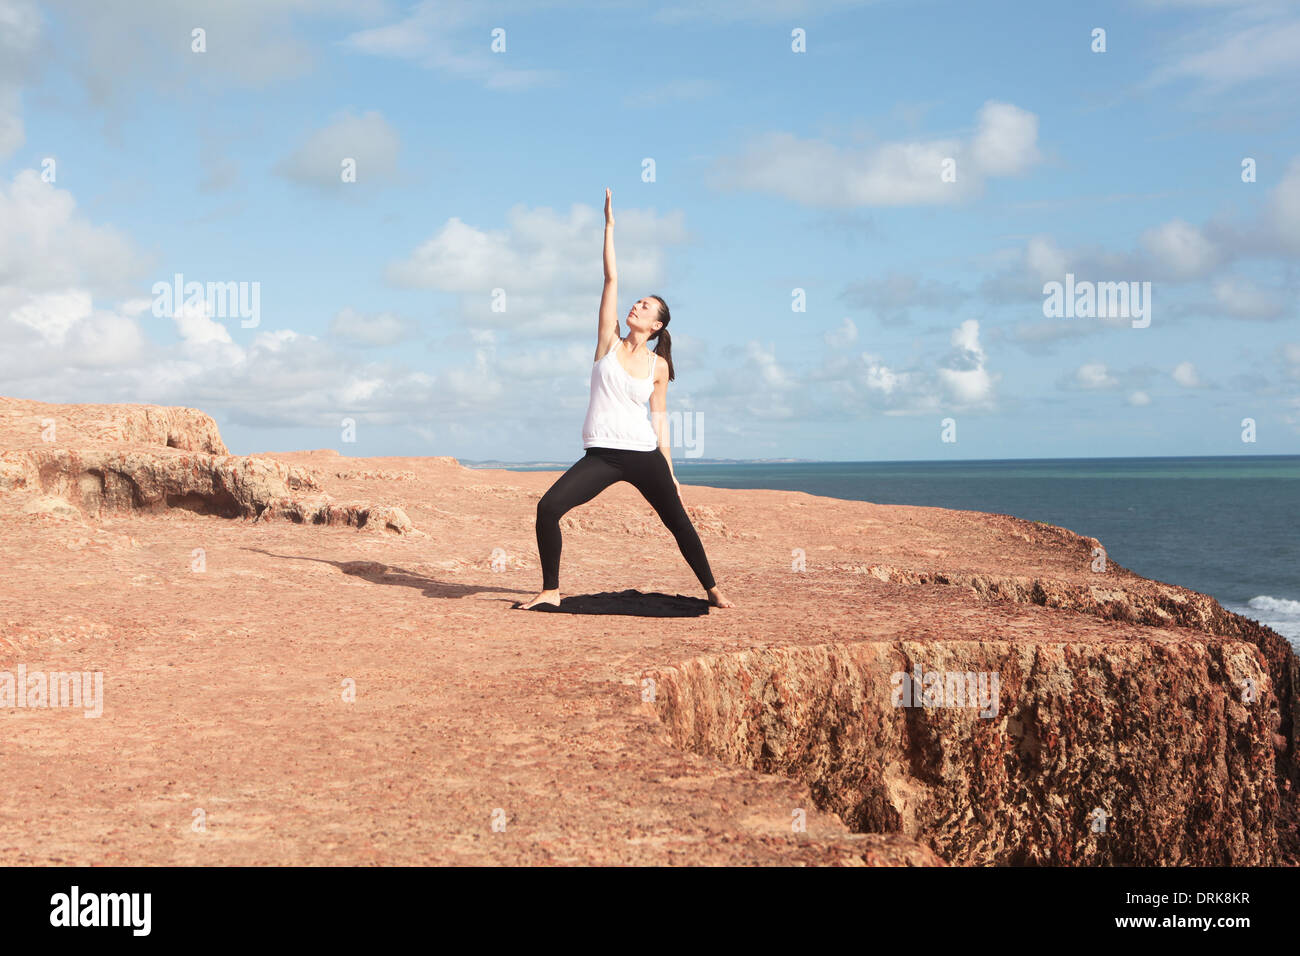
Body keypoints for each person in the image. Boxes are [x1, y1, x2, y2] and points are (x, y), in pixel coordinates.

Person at [517, 189, 735, 610]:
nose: (637, 305)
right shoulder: (607, 344)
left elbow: (660, 418)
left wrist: (669, 469)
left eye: (646, 306)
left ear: (655, 325)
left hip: (642, 453)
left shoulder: (658, 367)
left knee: (677, 521)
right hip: (602, 456)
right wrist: (610, 227)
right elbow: (610, 280)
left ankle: (713, 588)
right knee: (548, 508)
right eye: (637, 301)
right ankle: (550, 589)